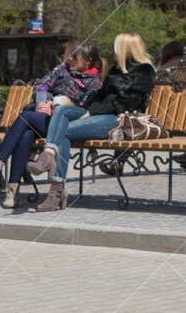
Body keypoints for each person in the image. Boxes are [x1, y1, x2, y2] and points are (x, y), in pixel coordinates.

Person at [33, 33, 156, 213]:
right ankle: (49, 153)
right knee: (61, 110)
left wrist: (92, 112)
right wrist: (88, 110)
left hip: (117, 119)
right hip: (97, 112)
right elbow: (100, 96)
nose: (113, 50)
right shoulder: (116, 70)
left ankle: (56, 191)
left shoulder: (144, 71)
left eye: (116, 47)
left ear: (124, 49)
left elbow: (125, 102)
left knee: (65, 132)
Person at [0, 42, 104, 208]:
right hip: (42, 118)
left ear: (87, 62)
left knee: (24, 118)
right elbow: (41, 84)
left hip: (62, 125)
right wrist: (43, 101)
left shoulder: (94, 83)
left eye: (75, 56)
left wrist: (59, 105)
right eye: (70, 55)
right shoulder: (62, 69)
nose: (70, 58)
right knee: (26, 135)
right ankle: (12, 191)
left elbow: (83, 109)